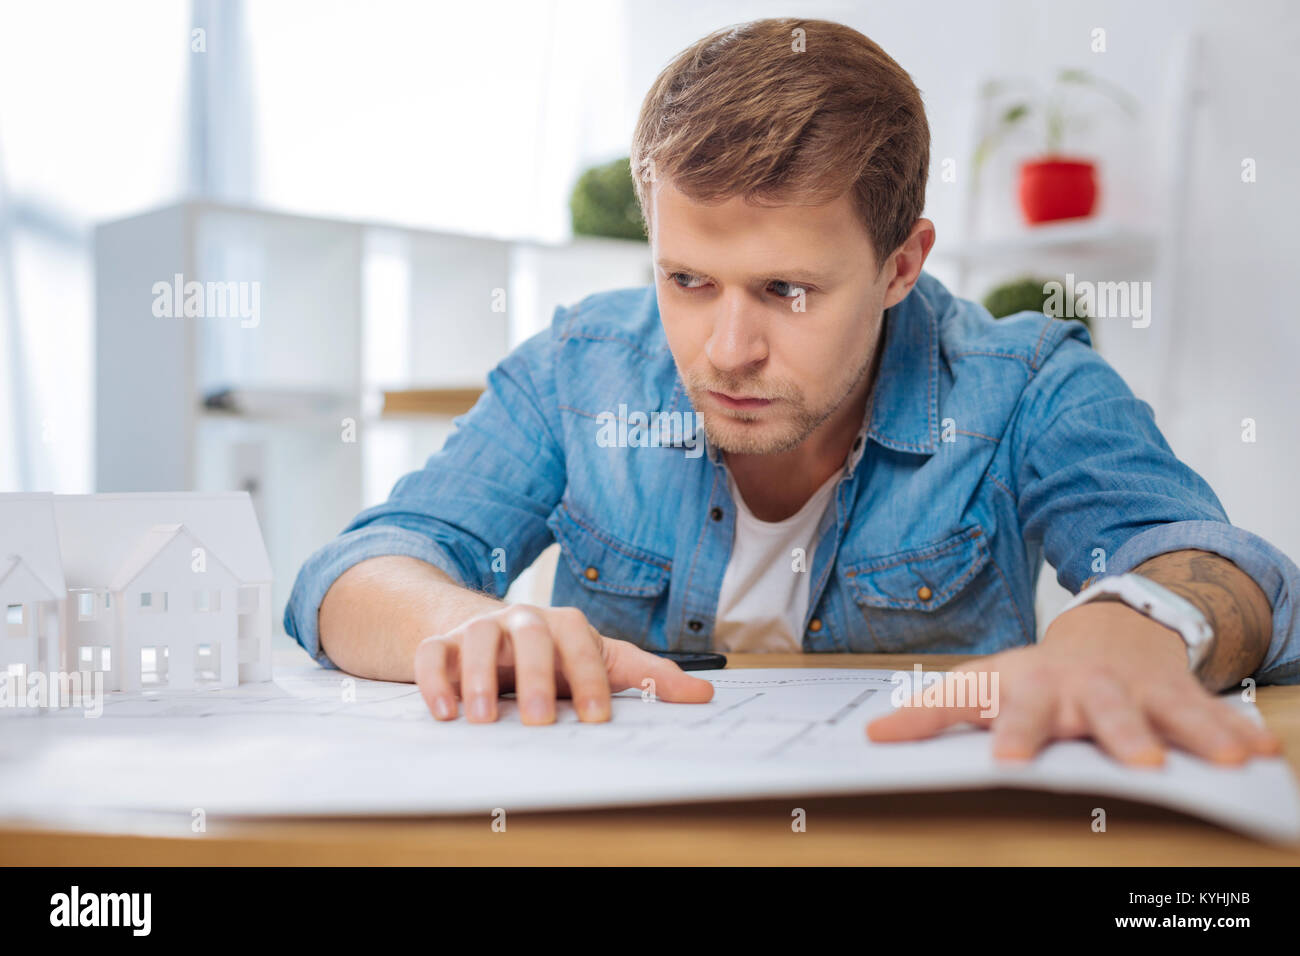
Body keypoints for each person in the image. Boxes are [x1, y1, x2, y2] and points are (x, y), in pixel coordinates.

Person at [286, 18, 1297, 766]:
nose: (726, 350)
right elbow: (360, 568)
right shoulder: (578, 369)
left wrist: (1124, 637)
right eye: (686, 280)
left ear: (902, 265)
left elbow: (1219, 565)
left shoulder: (1020, 381)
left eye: (787, 290)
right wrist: (465, 625)